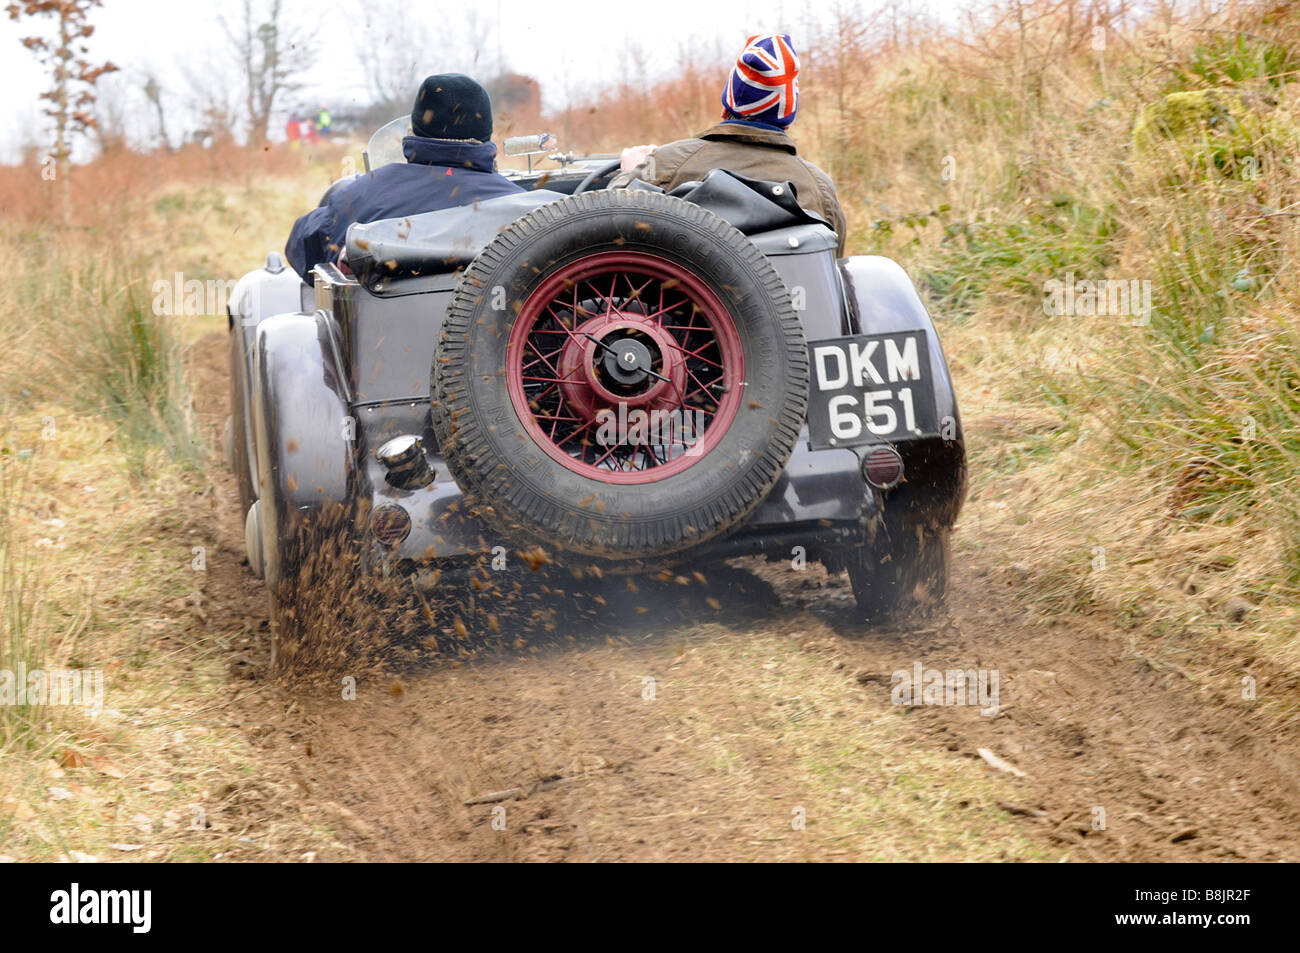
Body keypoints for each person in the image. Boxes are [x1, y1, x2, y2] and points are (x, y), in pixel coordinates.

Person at [610, 34, 847, 253]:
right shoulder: (819, 188)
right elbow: (831, 273)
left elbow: (605, 227)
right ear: (787, 121)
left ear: (726, 107)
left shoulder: (666, 164)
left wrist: (630, 175)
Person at [285, 74, 523, 282]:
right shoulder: (523, 208)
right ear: (486, 131)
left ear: (416, 127)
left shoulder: (363, 194)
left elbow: (302, 244)